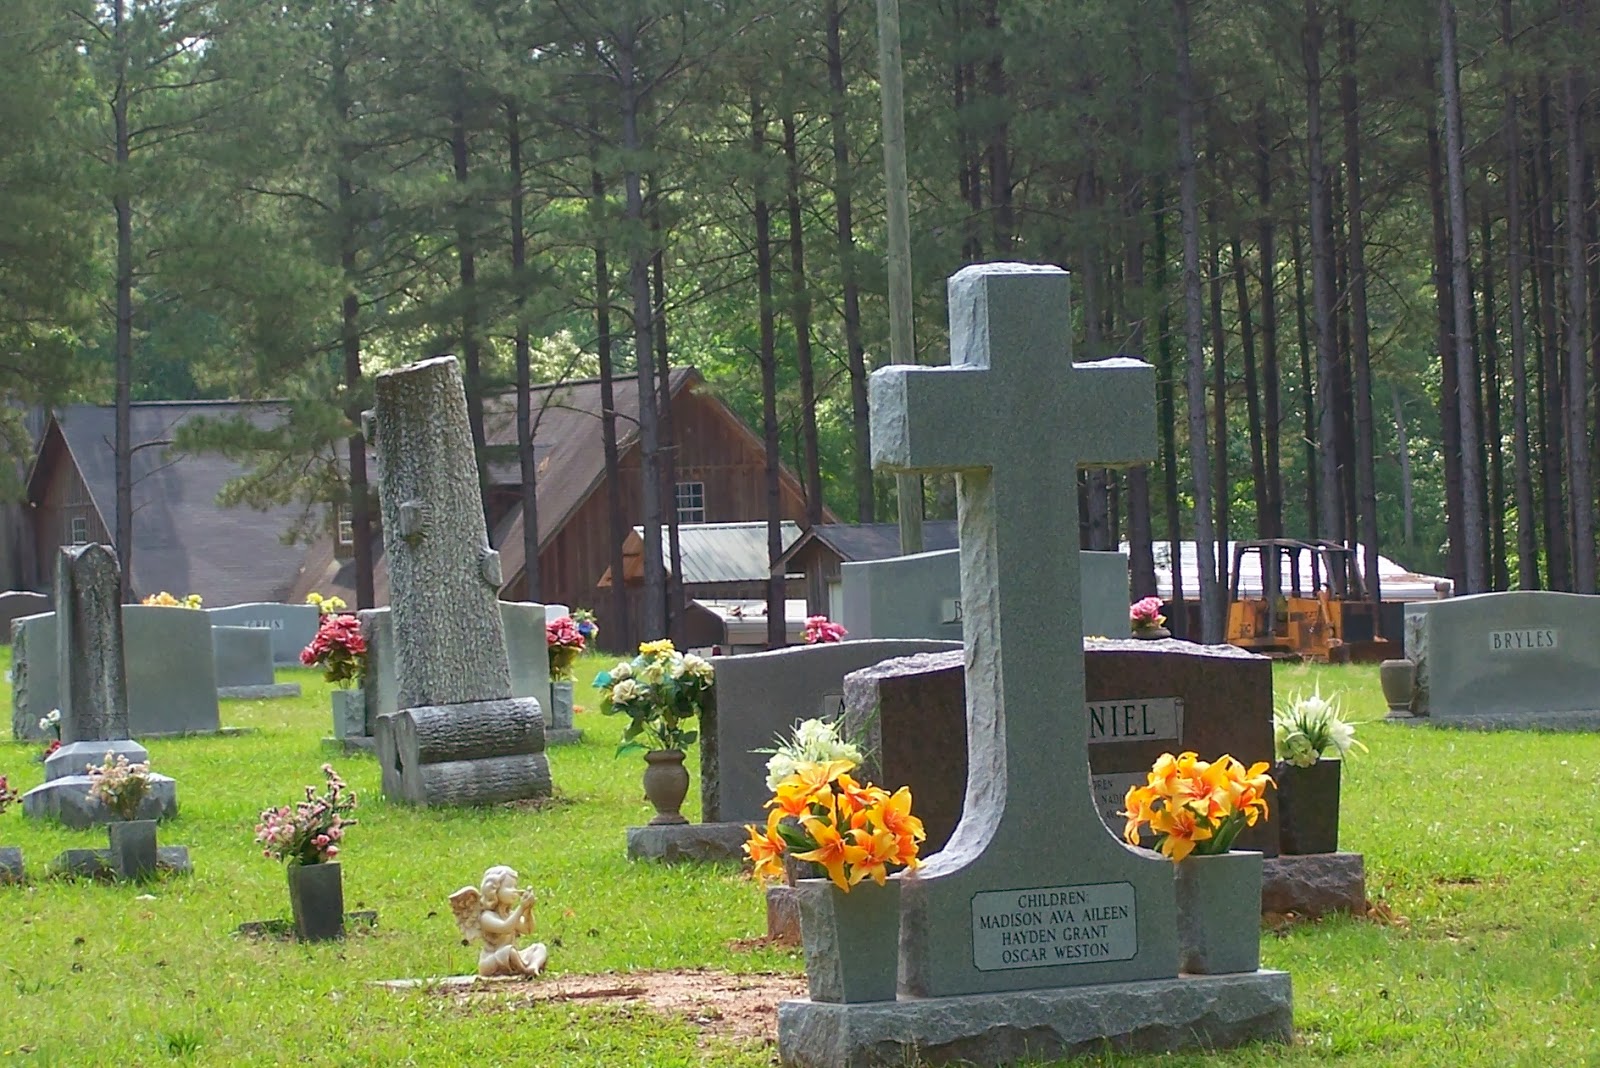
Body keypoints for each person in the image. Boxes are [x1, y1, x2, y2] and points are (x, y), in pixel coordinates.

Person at [448, 865, 548, 977]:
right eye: (509, 887)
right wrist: (521, 908)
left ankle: (532, 967)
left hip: (511, 956)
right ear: (493, 891)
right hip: (491, 960)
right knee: (509, 952)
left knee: (539, 948)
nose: (515, 890)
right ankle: (524, 971)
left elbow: (528, 929)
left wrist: (528, 910)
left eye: (515, 886)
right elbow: (505, 928)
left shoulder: (509, 914)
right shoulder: (486, 917)